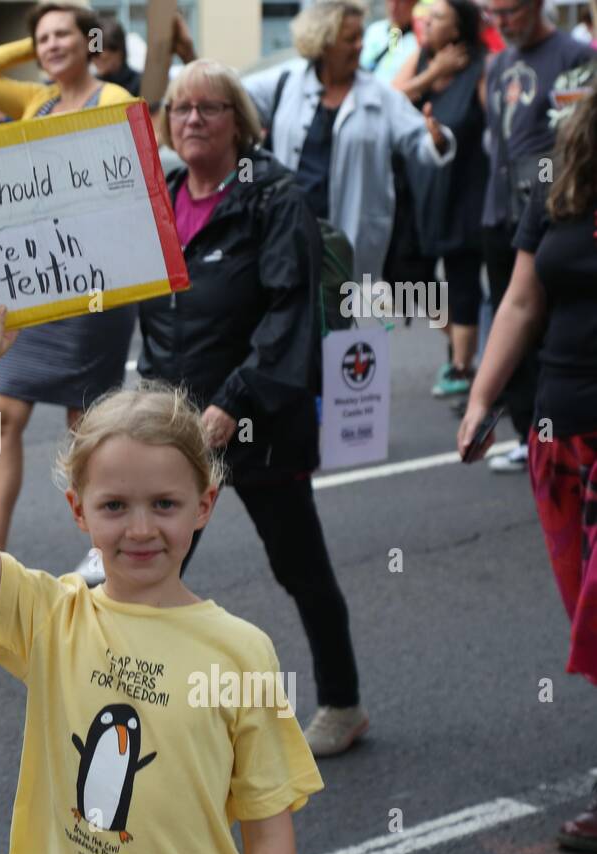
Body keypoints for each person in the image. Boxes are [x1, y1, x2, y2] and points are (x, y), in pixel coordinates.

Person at [0, 307, 324, 854]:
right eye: (115, 506)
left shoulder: (243, 653)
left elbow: (268, 830)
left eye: (165, 504)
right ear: (79, 510)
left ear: (204, 506)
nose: (142, 529)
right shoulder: (52, 617)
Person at [141, 59, 367, 757]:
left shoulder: (272, 195)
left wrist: (231, 404)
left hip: (257, 417)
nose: (193, 120)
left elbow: (288, 312)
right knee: (152, 568)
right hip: (174, 418)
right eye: (181, 109)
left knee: (298, 565)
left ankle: (342, 702)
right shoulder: (163, 192)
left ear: (241, 123)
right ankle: (142, 706)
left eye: (210, 108)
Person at [0, 2, 139, 584]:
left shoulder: (117, 102)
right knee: (0, 411)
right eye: (43, 37)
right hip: (36, 275)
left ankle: (106, 547)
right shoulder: (38, 100)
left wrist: (60, 41)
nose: (53, 45)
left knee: (86, 421)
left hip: (95, 280)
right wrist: (39, 49)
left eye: (65, 36)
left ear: (93, 42)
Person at [457, 84, 597, 854]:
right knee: (587, 614)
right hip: (561, 433)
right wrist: (481, 399)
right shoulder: (561, 175)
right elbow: (519, 299)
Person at [245, 0, 457, 286]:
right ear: (324, 42)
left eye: (360, 37)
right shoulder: (288, 81)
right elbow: (230, 98)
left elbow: (420, 141)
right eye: (350, 39)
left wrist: (437, 139)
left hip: (352, 241)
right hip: (288, 236)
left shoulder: (382, 88)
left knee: (352, 325)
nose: (360, 45)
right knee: (291, 320)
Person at [477, 0, 594, 474]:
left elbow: (576, 138)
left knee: (542, 322)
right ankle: (528, 431)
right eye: (491, 14)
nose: (502, 23)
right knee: (509, 316)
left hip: (552, 208)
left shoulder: (572, 56)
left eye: (509, 12)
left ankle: (546, 431)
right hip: (501, 209)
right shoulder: (501, 62)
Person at [393, 0, 489, 397]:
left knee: (463, 277)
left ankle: (462, 366)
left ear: (458, 28)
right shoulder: (422, 59)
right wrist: (434, 73)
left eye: (437, 19)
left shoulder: (483, 66)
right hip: (418, 190)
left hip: (466, 188)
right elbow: (391, 98)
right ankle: (467, 338)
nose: (426, 23)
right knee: (403, 277)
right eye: (425, 17)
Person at [362, 0, 422, 84]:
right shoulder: (375, 29)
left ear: (414, 3)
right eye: (391, 1)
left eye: (401, 2)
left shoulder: (419, 39)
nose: (393, 7)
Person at [91, 16, 141, 96]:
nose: (94, 57)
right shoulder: (91, 86)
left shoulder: (140, 83)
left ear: (118, 51)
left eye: (98, 51)